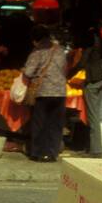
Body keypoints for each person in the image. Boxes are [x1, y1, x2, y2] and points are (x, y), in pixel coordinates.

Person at [23, 26, 68, 162]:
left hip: (43, 91)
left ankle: (38, 153)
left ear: (35, 39)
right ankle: (52, 153)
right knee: (55, 124)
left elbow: (28, 72)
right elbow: (65, 68)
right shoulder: (60, 51)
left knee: (40, 123)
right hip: (60, 92)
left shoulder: (38, 52)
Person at [70, 27, 102, 157]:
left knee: (93, 116)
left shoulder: (90, 45)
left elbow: (81, 63)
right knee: (94, 115)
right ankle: (91, 147)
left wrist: (68, 74)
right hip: (99, 79)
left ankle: (95, 150)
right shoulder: (99, 42)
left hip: (92, 81)